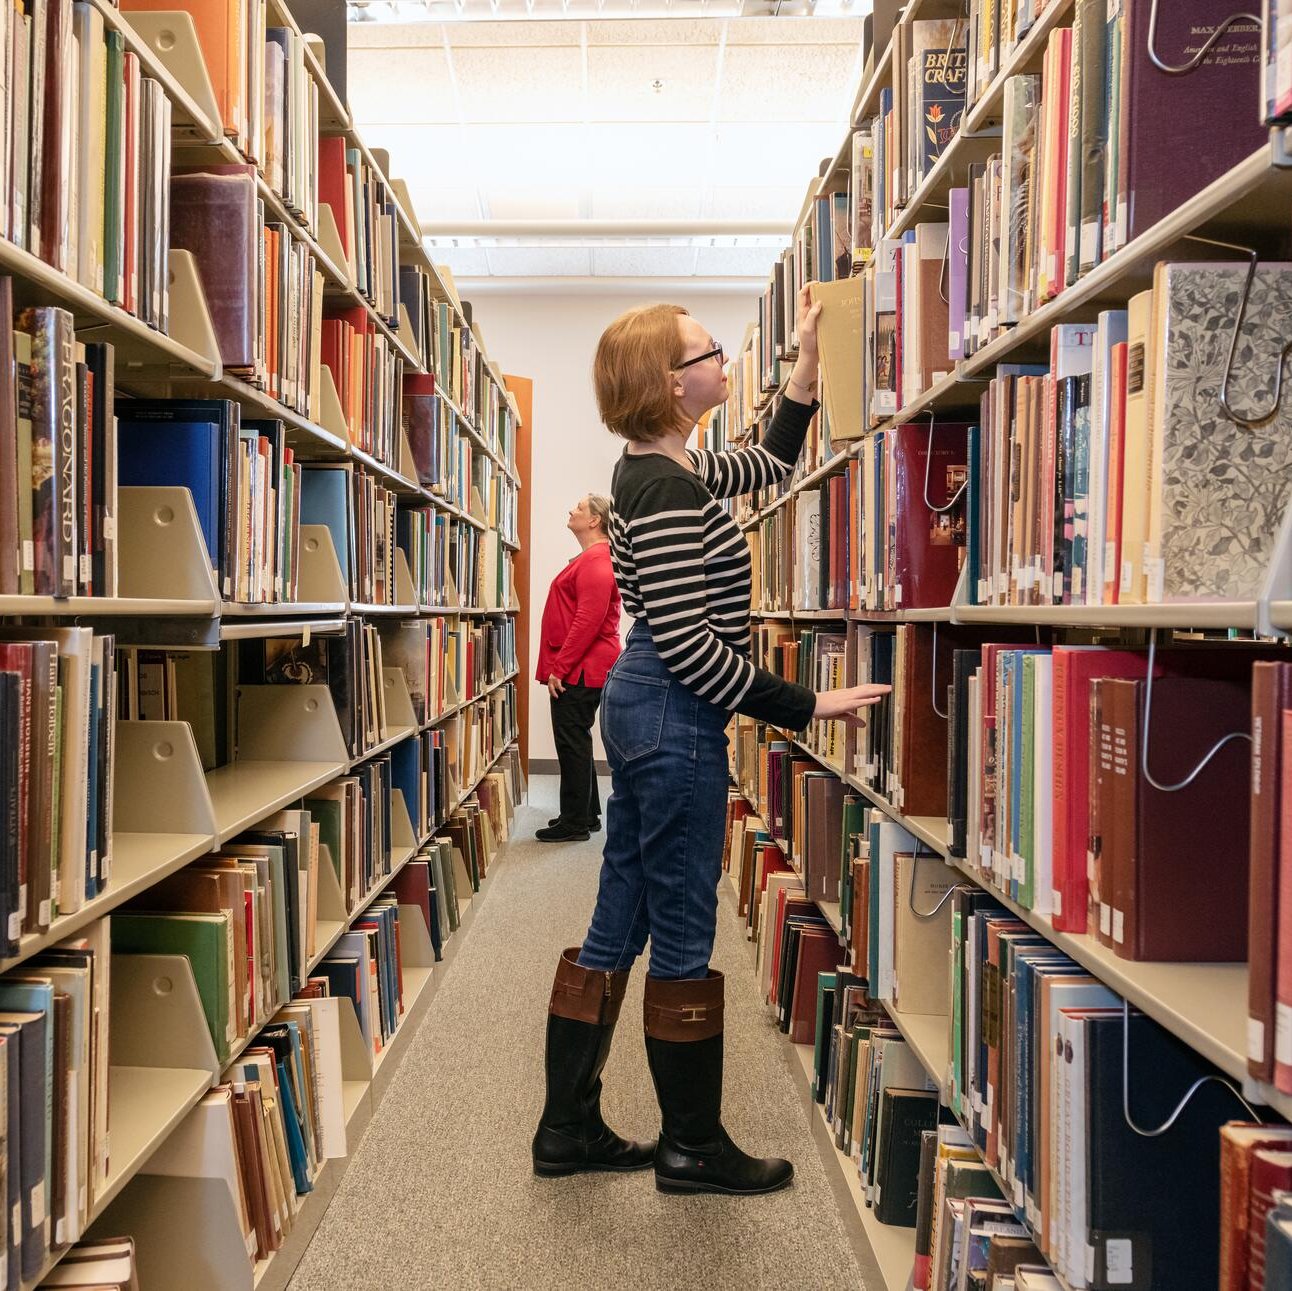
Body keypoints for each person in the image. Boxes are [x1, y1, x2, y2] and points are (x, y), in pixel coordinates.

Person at [531, 287, 891, 1194]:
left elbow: (767, 462)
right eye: (708, 352)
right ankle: (692, 1145)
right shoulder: (659, 489)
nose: (723, 360)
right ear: (668, 380)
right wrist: (808, 704)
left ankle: (566, 1126)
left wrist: (807, 363)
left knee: (622, 914)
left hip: (648, 705)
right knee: (684, 921)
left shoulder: (664, 469)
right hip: (671, 711)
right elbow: (693, 649)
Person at [534, 494, 622, 843]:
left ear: (595, 520)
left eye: (580, 508)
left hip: (582, 668)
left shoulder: (597, 560)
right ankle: (586, 814)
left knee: (571, 741)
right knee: (577, 739)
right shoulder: (593, 558)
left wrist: (561, 667)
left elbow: (588, 619)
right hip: (583, 665)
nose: (571, 510)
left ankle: (574, 823)